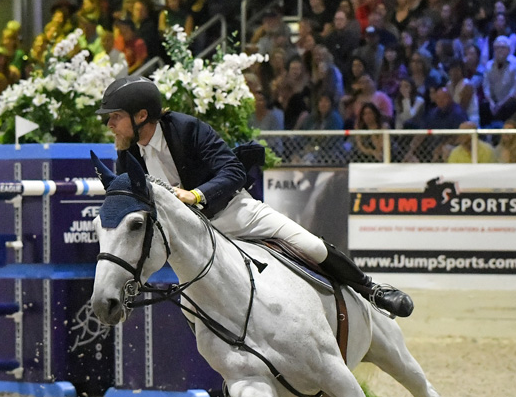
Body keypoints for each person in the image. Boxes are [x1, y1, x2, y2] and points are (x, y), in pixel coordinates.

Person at [94, 76, 414, 318]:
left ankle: (371, 290)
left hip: (234, 213)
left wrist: (195, 195)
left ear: (140, 116)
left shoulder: (187, 129)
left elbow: (233, 172)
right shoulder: (127, 151)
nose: (109, 123)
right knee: (193, 307)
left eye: (115, 116)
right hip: (194, 239)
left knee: (309, 244)